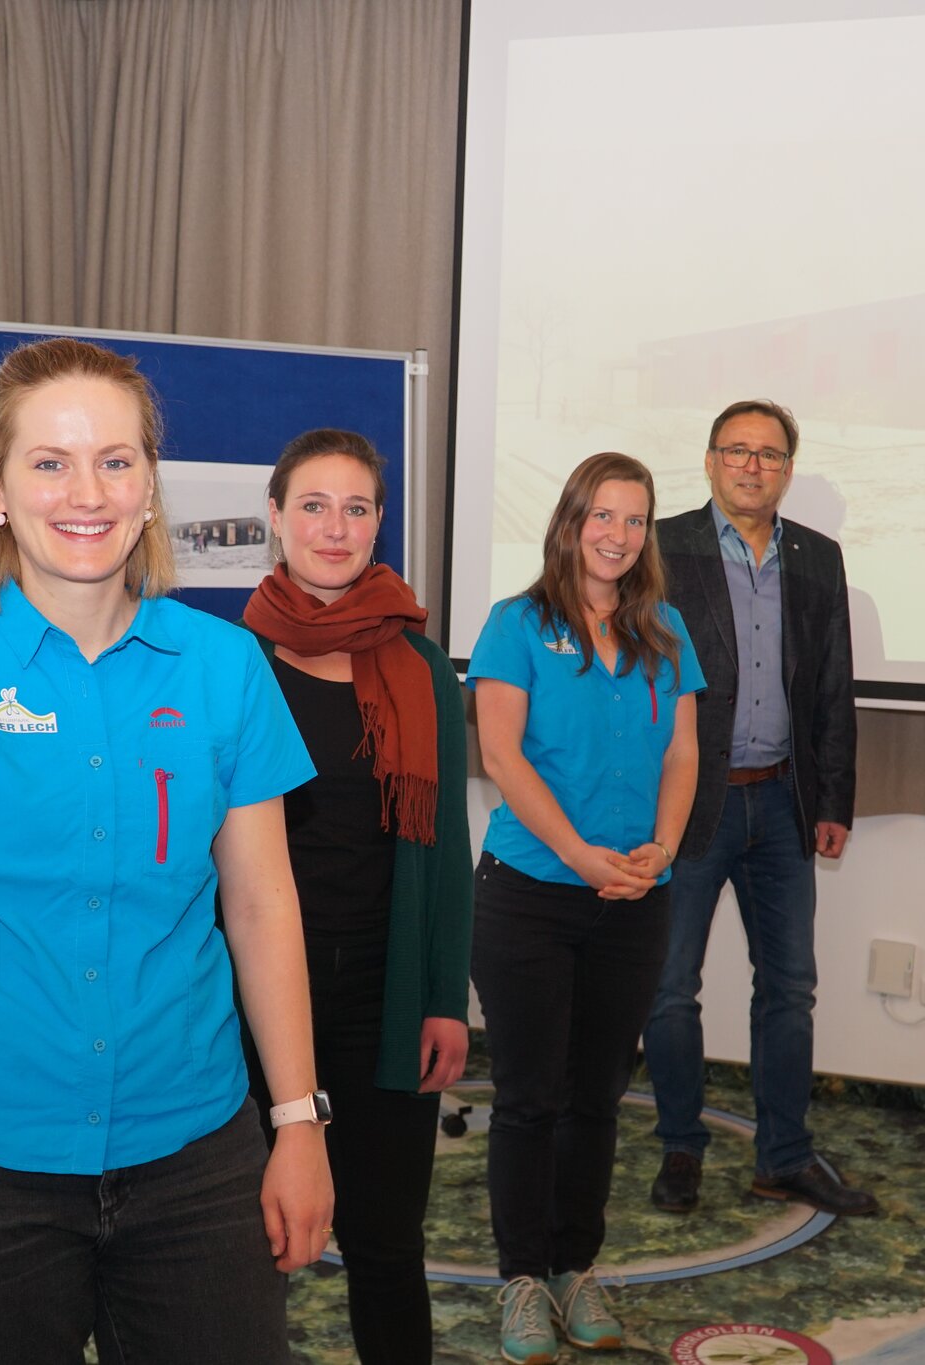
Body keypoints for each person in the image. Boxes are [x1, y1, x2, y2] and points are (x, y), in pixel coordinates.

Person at [0, 336, 333, 1364]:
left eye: (114, 459)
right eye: (48, 462)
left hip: (193, 1154)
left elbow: (263, 910)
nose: (84, 490)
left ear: (148, 487)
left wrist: (298, 1122)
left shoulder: (224, 668)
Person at [237, 428, 473, 1364]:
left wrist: (443, 1000)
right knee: (246, 1248)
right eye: (314, 506)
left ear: (379, 523)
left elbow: (447, 850)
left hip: (386, 996)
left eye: (357, 508)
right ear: (275, 519)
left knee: (386, 1244)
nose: (335, 528)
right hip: (249, 1004)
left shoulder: (421, 666)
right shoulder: (226, 665)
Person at [467, 452, 704, 1363]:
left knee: (598, 1098)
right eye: (601, 515)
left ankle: (576, 1266)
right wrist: (578, 854)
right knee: (530, 1097)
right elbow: (502, 754)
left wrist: (665, 848)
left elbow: (682, 753)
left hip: (637, 899)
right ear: (570, 522)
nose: (617, 534)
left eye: (634, 520)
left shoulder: (666, 628)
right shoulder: (515, 624)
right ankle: (523, 1278)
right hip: (531, 895)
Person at [642, 399, 876, 1220]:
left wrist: (835, 798)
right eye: (736, 450)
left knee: (790, 989)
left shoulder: (818, 558)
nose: (752, 466)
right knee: (669, 990)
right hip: (688, 804)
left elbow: (832, 687)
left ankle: (783, 1156)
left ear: (788, 469)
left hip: (782, 801)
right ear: (709, 461)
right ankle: (680, 1145)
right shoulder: (660, 546)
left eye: (769, 454)